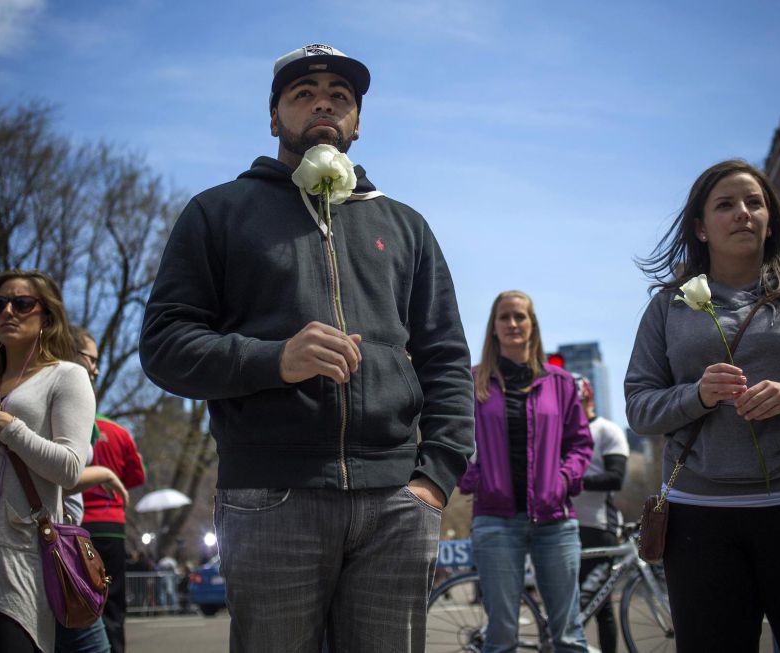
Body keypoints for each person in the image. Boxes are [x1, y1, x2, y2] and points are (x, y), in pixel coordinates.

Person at [138, 43, 474, 652]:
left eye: (340, 95)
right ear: (274, 117)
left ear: (357, 122)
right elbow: (165, 344)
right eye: (304, 92)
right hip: (269, 500)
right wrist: (274, 359)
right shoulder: (217, 213)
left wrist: (434, 479)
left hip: (397, 502)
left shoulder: (405, 225)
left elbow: (446, 357)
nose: (324, 100)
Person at [625, 160, 780, 652]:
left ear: (770, 220)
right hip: (700, 518)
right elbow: (639, 406)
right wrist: (697, 395)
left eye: (754, 203)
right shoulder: (667, 307)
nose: (743, 213)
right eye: (726, 205)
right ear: (700, 228)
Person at [0, 269, 95, 653]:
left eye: (22, 303)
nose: (8, 311)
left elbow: (70, 469)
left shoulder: (67, 377)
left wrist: (9, 426)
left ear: (47, 317)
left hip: (19, 566)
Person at [458, 290, 593, 653]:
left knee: (568, 635)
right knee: (501, 637)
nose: (513, 323)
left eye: (521, 316)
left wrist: (562, 480)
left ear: (532, 325)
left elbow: (581, 445)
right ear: (494, 327)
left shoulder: (561, 383)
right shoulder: (473, 383)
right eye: (505, 317)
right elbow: (452, 438)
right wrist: (473, 479)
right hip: (494, 519)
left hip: (555, 520)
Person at [76, 326, 145, 653]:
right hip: (111, 526)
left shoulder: (81, 425)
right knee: (113, 604)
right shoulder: (119, 432)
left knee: (78, 601)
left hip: (77, 523)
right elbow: (135, 477)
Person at [569, 374, 628, 653]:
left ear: (588, 398)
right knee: (568, 605)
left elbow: (616, 478)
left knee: (598, 606)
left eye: (575, 402)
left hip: (600, 529)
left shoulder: (608, 430)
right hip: (564, 525)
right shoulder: (561, 433)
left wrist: (570, 481)